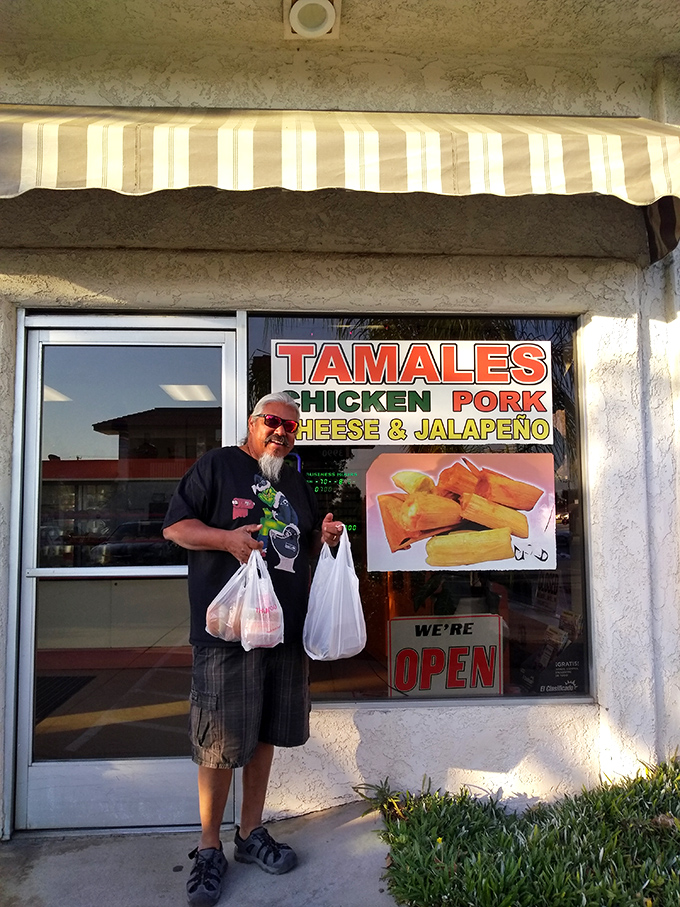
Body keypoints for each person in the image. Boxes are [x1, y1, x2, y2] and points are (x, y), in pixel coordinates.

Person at [162, 392, 343, 907]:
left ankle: (249, 835)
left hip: (283, 631)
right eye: (273, 422)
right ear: (253, 423)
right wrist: (226, 541)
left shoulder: (293, 478)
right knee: (219, 740)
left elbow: (303, 542)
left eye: (291, 426)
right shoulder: (217, 465)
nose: (282, 432)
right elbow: (177, 528)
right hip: (227, 632)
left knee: (265, 730)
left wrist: (324, 536)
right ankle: (208, 847)